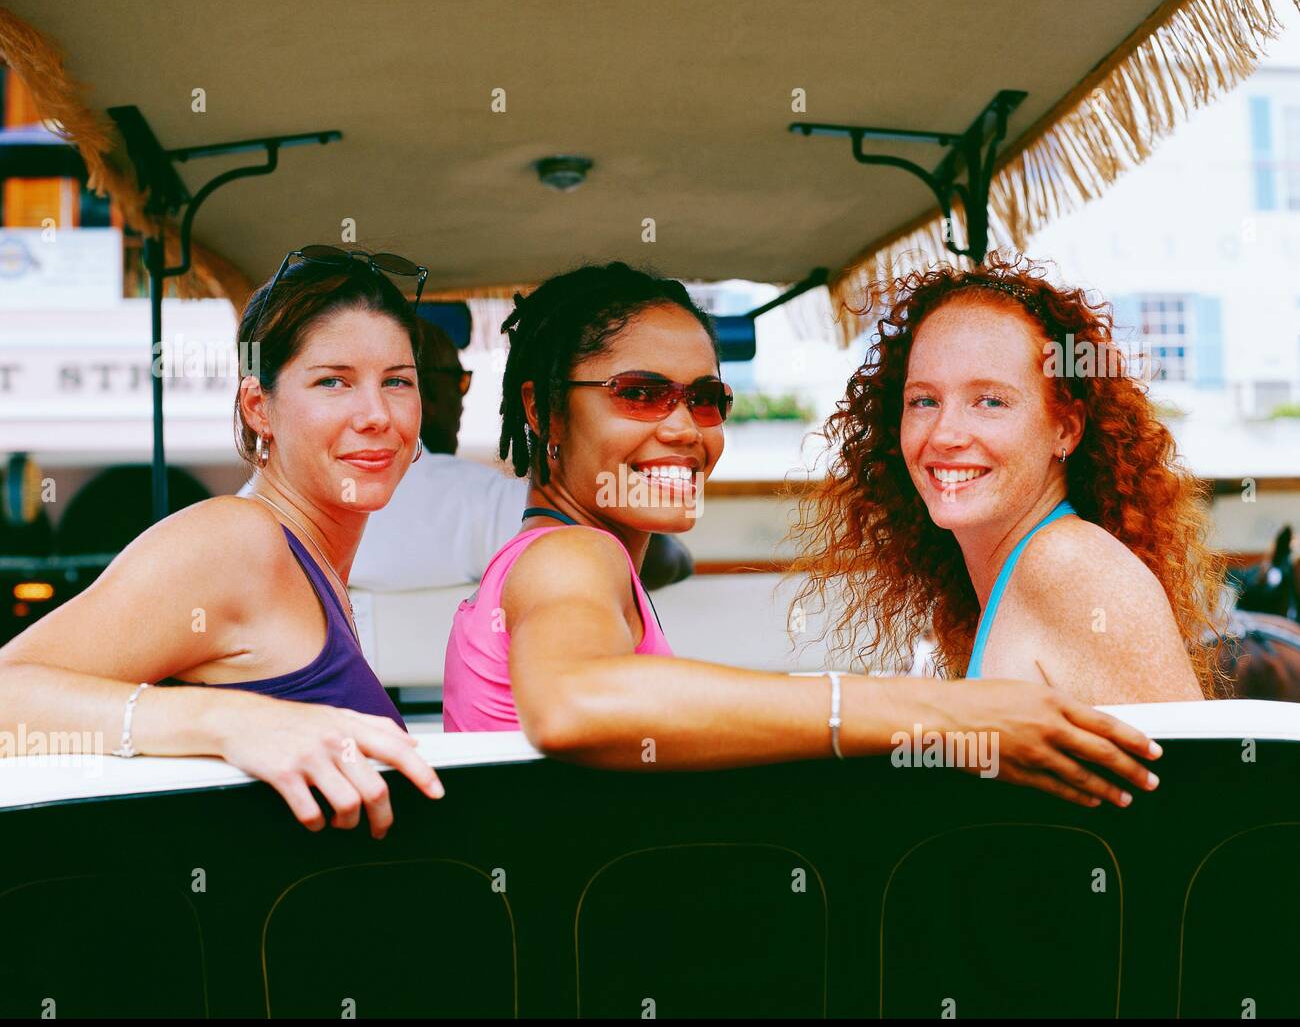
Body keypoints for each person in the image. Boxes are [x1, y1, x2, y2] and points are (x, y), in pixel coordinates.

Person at [442, 262, 1164, 809]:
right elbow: (573, 703)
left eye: (705, 399)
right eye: (639, 393)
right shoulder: (572, 554)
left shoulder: (1066, 564)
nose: (682, 428)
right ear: (539, 410)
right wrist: (930, 712)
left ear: (1067, 427)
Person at [0, 246, 444, 837]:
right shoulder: (240, 540)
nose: (376, 414)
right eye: (333, 382)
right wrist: (224, 719)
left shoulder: (312, 563)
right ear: (259, 406)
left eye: (397, 381)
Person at [789, 255, 1225, 704]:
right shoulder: (1016, 571)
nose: (945, 434)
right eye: (923, 401)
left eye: (991, 402)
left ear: (1066, 429)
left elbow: (1187, 773)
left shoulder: (1067, 565)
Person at [347, 316, 693, 591]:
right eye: (459, 380)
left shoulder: (324, 501)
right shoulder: (474, 499)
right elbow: (661, 562)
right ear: (429, 392)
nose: (461, 400)